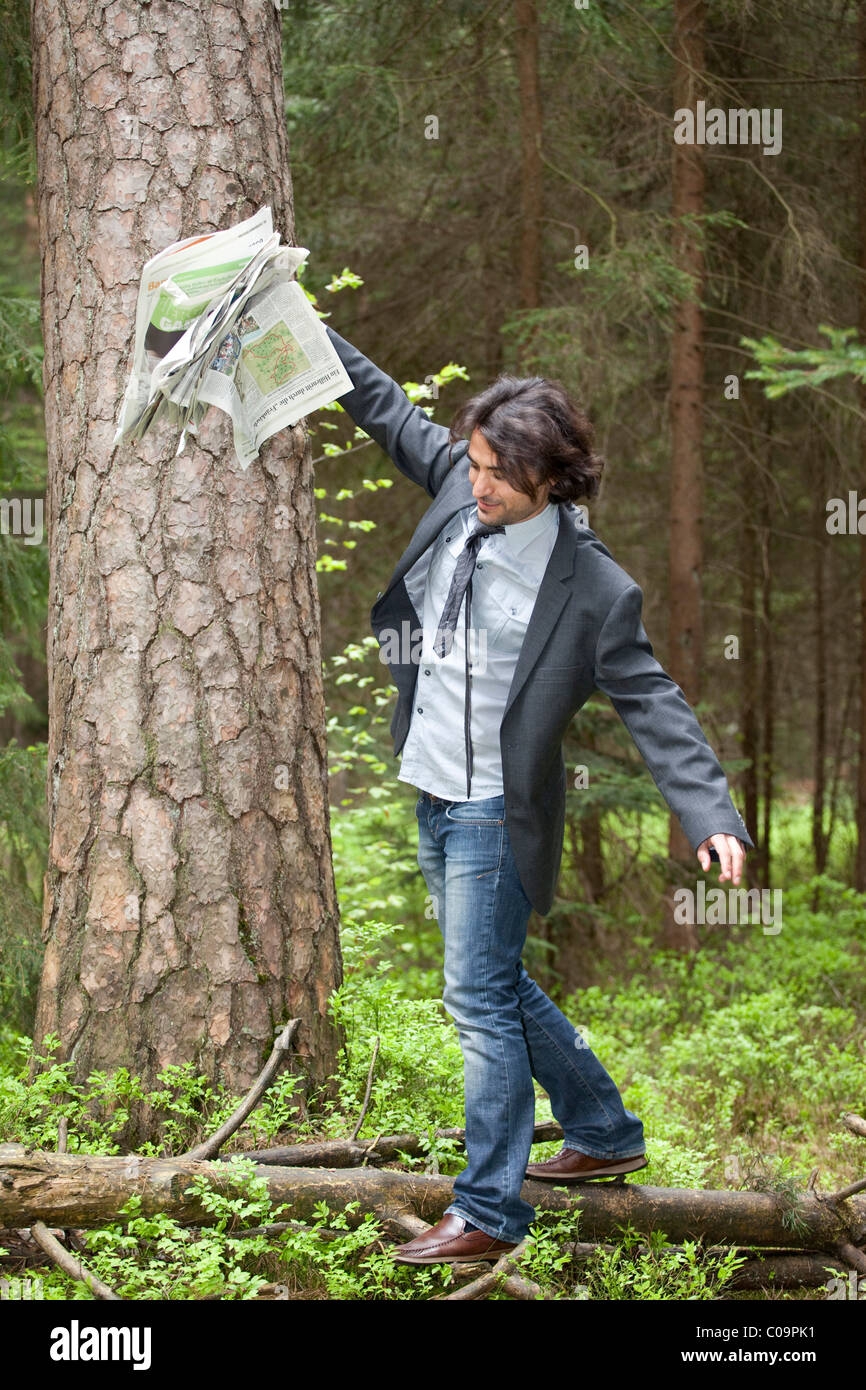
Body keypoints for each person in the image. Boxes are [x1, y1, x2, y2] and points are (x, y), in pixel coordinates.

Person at [322, 322, 753, 1265]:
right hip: (430, 789)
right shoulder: (456, 484)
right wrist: (304, 323)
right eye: (472, 464)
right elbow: (380, 401)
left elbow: (651, 698)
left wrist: (710, 814)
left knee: (475, 1000)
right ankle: (602, 1129)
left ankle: (487, 1211)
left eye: (497, 477)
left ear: (552, 481)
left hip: (495, 813)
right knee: (497, 982)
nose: (476, 486)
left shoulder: (594, 589)